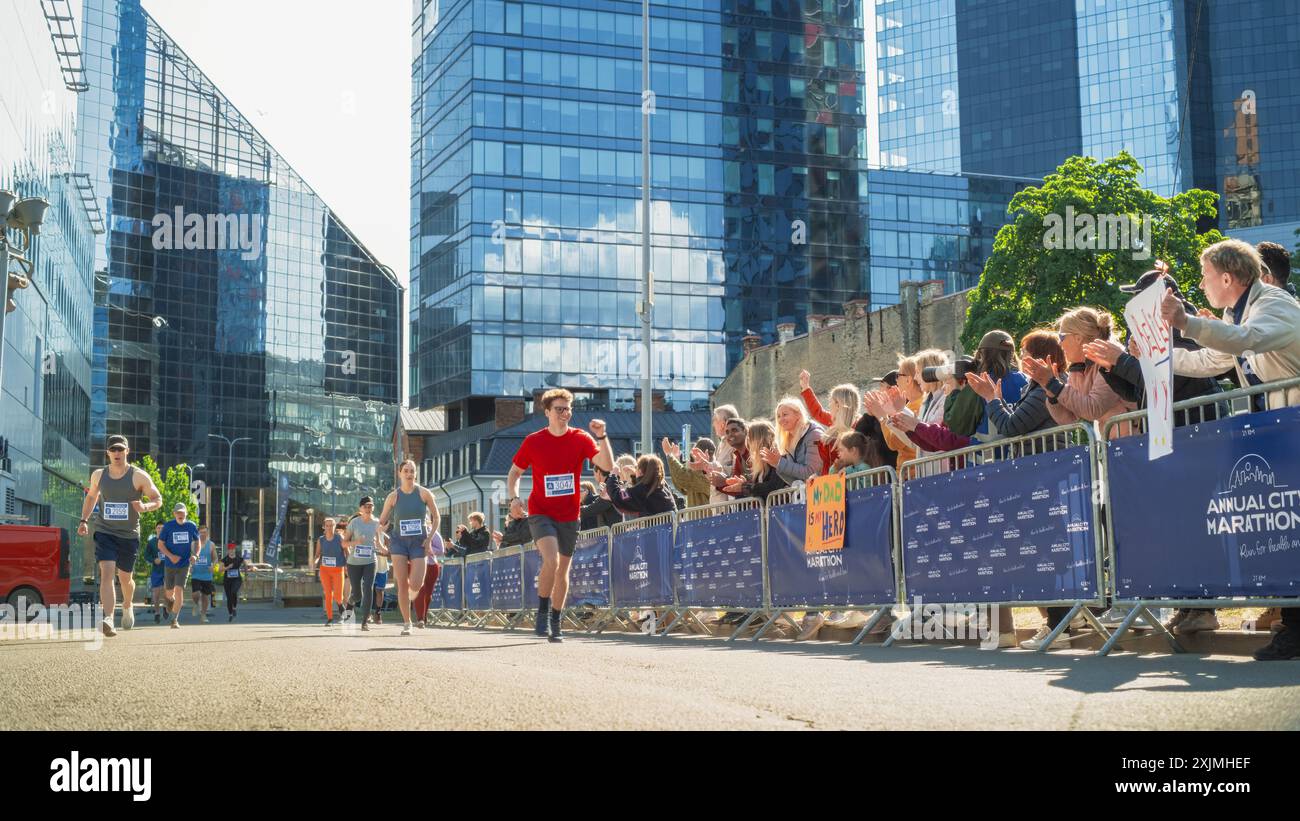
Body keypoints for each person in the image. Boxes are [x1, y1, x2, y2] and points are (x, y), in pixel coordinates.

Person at [1156, 239, 1300, 660]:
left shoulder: (1273, 302)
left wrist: (1185, 322)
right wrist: (1158, 356)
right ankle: (1294, 629)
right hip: (1278, 434)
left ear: (1227, 277)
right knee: (1287, 535)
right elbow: (1210, 362)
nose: (1200, 284)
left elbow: (1244, 340)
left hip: (1290, 430)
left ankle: (1294, 630)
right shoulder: (1234, 313)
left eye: (1204, 275)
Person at [506, 388, 615, 642]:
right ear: (547, 412)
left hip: (569, 515)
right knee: (551, 561)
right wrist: (513, 498)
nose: (565, 413)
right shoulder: (534, 441)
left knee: (563, 569)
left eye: (568, 409)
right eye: (559, 409)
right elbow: (514, 473)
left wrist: (602, 436)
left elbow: (607, 466)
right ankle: (542, 612)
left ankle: (556, 619)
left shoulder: (580, 438)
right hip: (541, 512)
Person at [76, 434, 164, 636]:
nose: (116, 453)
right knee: (107, 573)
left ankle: (127, 605)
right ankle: (108, 618)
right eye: (113, 449)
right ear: (107, 452)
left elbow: (157, 499)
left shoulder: (138, 476)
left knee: (125, 578)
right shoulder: (99, 475)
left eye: (120, 449)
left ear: (127, 451)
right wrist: (83, 520)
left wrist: (145, 506)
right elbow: (91, 498)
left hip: (129, 535)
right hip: (105, 530)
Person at [1023, 306, 1136, 437]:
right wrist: (1050, 392)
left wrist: (1053, 384)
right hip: (1115, 445)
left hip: (1136, 441)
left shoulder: (1110, 356)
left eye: (1062, 336)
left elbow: (1094, 408)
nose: (1059, 343)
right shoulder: (1078, 367)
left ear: (1078, 338)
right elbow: (1068, 419)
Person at [378, 460, 442, 635]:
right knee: (402, 584)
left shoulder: (423, 493)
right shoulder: (393, 496)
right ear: (400, 474)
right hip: (398, 542)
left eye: (412, 471)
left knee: (416, 583)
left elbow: (436, 518)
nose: (409, 474)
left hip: (418, 542)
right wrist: (380, 533)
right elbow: (382, 520)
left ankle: (412, 596)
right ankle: (407, 623)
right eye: (406, 471)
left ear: (415, 474)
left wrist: (429, 539)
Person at [968, 330, 1064, 439]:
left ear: (1038, 356)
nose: (1021, 357)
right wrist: (999, 400)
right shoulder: (1040, 385)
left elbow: (1011, 427)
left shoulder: (1045, 389)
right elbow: (1017, 421)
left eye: (1024, 352)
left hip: (1046, 454)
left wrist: (991, 398)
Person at [343, 496, 386, 632]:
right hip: (354, 563)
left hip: (370, 561)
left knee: (368, 588)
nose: (368, 509)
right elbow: (344, 543)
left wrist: (383, 548)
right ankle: (351, 602)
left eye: (370, 506)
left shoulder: (376, 522)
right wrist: (356, 543)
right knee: (358, 594)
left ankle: (364, 622)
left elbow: (378, 541)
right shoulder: (354, 523)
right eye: (365, 506)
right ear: (360, 508)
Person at [722, 420, 787, 502]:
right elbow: (760, 487)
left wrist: (745, 486)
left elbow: (773, 486)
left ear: (759, 439)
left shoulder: (778, 456)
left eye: (749, 437)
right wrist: (744, 483)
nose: (747, 441)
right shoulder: (759, 463)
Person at [158, 503, 200, 629]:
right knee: (170, 594)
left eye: (182, 513)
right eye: (178, 513)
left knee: (179, 590)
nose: (180, 515)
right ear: (174, 514)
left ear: (186, 513)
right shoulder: (168, 526)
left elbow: (197, 543)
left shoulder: (191, 526)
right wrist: (170, 556)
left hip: (184, 564)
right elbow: (160, 545)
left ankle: (174, 619)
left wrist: (195, 555)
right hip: (170, 564)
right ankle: (169, 602)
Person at [767, 397, 823, 484]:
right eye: (778, 416)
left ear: (798, 415)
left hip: (822, 491)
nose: (781, 420)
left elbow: (811, 472)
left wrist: (780, 462)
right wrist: (777, 464)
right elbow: (795, 481)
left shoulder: (814, 435)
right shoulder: (788, 441)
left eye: (785, 414)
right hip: (806, 493)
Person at [605, 454, 676, 519]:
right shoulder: (663, 486)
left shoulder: (642, 489)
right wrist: (634, 476)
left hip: (654, 530)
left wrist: (613, 476)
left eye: (636, 467)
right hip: (671, 528)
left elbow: (617, 497)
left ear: (640, 471)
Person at [661, 437, 713, 509]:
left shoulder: (707, 475)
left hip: (705, 518)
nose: (692, 460)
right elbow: (680, 487)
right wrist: (676, 459)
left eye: (693, 456)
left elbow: (682, 478)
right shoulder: (699, 473)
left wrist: (669, 455)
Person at [412, 531, 446, 627]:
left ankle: (424, 616)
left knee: (428, 593)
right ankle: (420, 618)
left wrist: (429, 548)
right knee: (419, 590)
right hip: (417, 564)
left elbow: (441, 550)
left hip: (431, 565)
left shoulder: (434, 533)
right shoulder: (413, 531)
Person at [317, 517, 346, 626]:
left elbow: (346, 552)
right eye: (327, 525)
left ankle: (341, 608)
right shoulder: (321, 539)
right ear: (324, 527)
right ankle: (329, 618)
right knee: (328, 593)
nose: (329, 528)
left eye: (331, 525)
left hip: (338, 569)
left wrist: (347, 565)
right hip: (324, 570)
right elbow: (317, 554)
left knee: (338, 595)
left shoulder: (339, 538)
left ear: (335, 526)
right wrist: (314, 561)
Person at [188, 526, 219, 624]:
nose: (202, 534)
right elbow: (189, 557)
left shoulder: (211, 545)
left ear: (207, 533)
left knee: (206, 596)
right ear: (198, 534)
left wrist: (213, 566)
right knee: (196, 593)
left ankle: (203, 615)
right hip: (196, 573)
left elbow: (215, 558)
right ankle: (196, 604)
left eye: (204, 532)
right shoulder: (193, 544)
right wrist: (190, 567)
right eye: (201, 532)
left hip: (207, 574)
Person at [144, 523, 168, 623]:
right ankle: (157, 612)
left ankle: (166, 607)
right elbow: (146, 556)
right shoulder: (151, 542)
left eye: (162, 528)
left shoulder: (169, 541)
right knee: (156, 593)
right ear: (156, 529)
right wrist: (154, 560)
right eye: (158, 528)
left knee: (167, 592)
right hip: (157, 570)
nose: (160, 529)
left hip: (168, 570)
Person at [220, 543, 246, 622]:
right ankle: (230, 614)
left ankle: (234, 607)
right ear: (228, 551)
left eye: (233, 549)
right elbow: (220, 569)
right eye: (230, 549)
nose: (231, 551)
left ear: (235, 550)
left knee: (233, 592)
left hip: (237, 579)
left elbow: (245, 564)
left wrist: (246, 572)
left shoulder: (239, 558)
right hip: (227, 580)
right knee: (229, 597)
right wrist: (228, 567)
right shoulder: (224, 559)